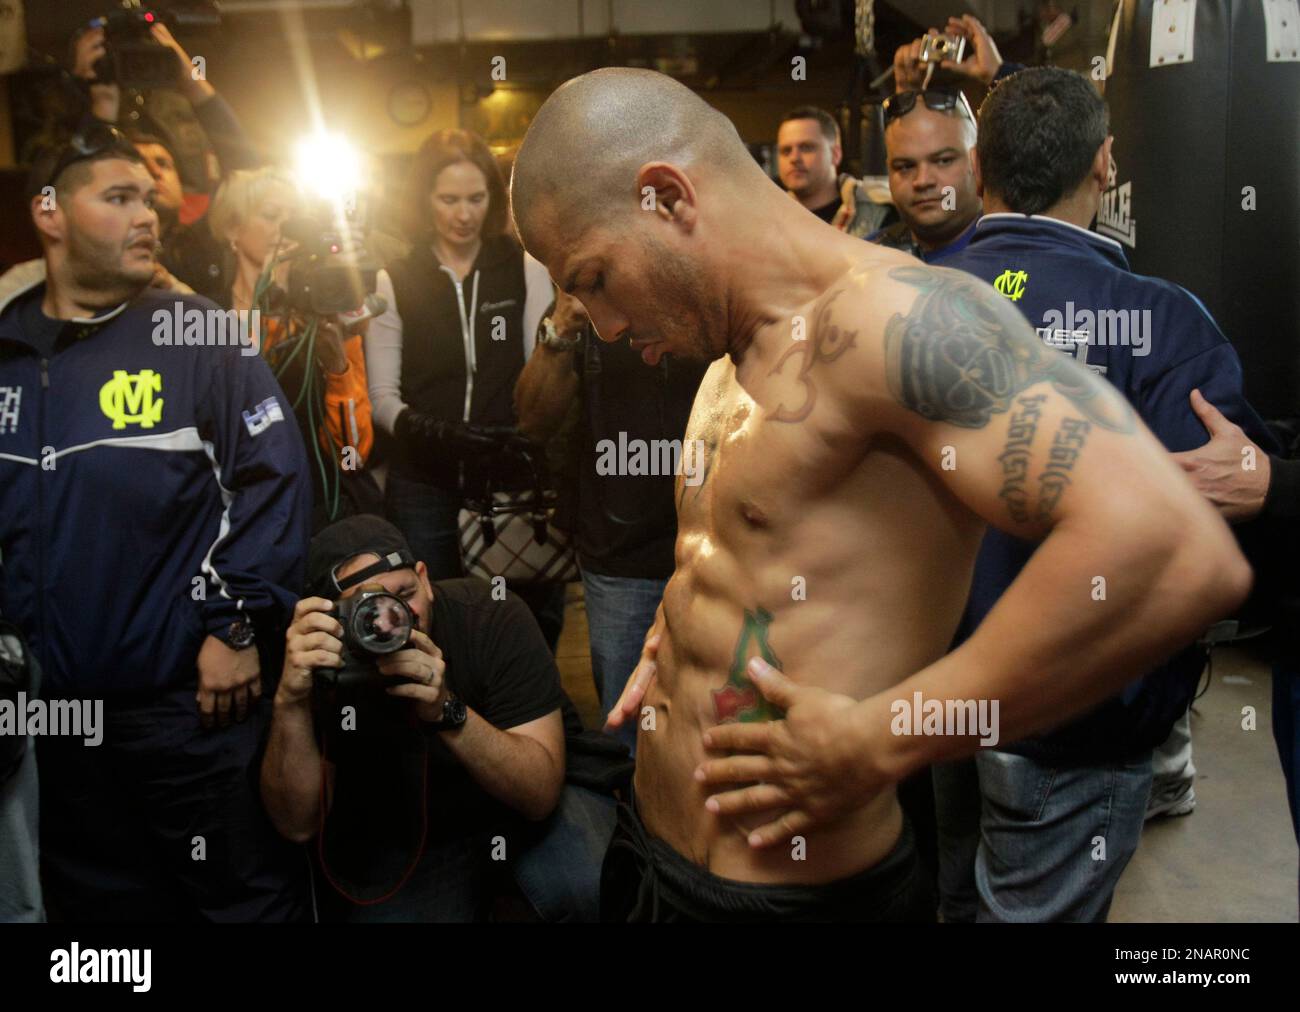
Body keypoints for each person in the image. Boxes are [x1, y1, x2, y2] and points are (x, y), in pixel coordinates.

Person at [510, 67, 1251, 923]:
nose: (599, 325)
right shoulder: (723, 357)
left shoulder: (900, 320)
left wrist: (877, 739)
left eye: (594, 278)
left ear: (667, 196)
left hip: (792, 900)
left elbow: (1168, 551)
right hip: (650, 856)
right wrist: (679, 632)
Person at [936, 67, 1278, 921]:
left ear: (978, 174)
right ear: (1107, 165)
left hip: (922, 704)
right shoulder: (1165, 323)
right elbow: (1223, 530)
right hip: (1078, 721)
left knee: (954, 899)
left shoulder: (899, 304)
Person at [0, 126, 311, 921]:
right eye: (117, 198)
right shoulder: (7, 349)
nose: (148, 217)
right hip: (53, 721)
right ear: (50, 214)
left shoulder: (195, 331)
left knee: (236, 904)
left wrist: (236, 625)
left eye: (149, 199)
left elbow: (275, 479)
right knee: (95, 925)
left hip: (185, 712)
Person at [260, 514, 618, 922]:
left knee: (593, 881)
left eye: (404, 594)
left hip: (527, 808)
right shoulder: (321, 660)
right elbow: (296, 825)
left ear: (425, 579)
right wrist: (290, 699)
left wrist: (447, 711)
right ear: (333, 621)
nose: (393, 619)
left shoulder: (488, 614)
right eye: (367, 610)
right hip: (418, 830)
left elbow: (538, 796)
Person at [365, 128, 561, 645]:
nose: (463, 213)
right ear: (424, 199)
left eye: (476, 198)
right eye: (448, 199)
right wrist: (433, 432)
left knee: (520, 616)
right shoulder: (396, 277)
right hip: (422, 479)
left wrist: (516, 436)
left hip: (506, 476)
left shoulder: (523, 267)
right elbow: (381, 398)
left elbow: (536, 370)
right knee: (432, 619)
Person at [515, 287, 706, 752]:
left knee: (714, 720)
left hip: (717, 549)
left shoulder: (709, 279)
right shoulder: (585, 292)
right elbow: (533, 421)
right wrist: (561, 328)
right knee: (628, 733)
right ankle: (630, 822)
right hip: (620, 556)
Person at [208, 167, 379, 530]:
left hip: (320, 507)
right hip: (236, 512)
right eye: (271, 216)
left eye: (293, 218)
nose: (286, 230)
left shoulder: (326, 313)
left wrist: (338, 369)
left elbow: (353, 457)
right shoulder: (206, 319)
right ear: (231, 229)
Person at [866, 88, 982, 261]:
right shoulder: (864, 262)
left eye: (943, 161)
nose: (922, 181)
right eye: (905, 167)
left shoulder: (1019, 255)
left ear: (977, 162)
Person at [775, 106, 891, 238]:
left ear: (835, 154)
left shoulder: (879, 215)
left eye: (806, 147)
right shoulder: (766, 220)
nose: (794, 158)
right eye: (786, 151)